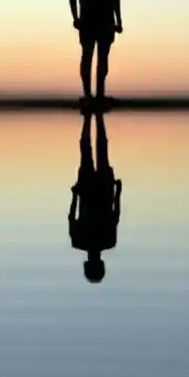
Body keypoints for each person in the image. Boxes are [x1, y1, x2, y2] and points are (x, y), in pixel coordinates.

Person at [69, 112, 121, 283]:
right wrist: (75, 195)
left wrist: (118, 192)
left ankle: (92, 118)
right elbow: (115, 216)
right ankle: (94, 118)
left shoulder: (105, 242)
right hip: (96, 192)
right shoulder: (82, 242)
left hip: (96, 192)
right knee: (94, 149)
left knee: (96, 149)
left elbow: (115, 215)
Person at [69, 0, 123, 104]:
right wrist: (118, 20)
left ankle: (92, 95)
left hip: (95, 21)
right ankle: (94, 94)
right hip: (97, 21)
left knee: (90, 56)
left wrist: (75, 17)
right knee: (98, 57)